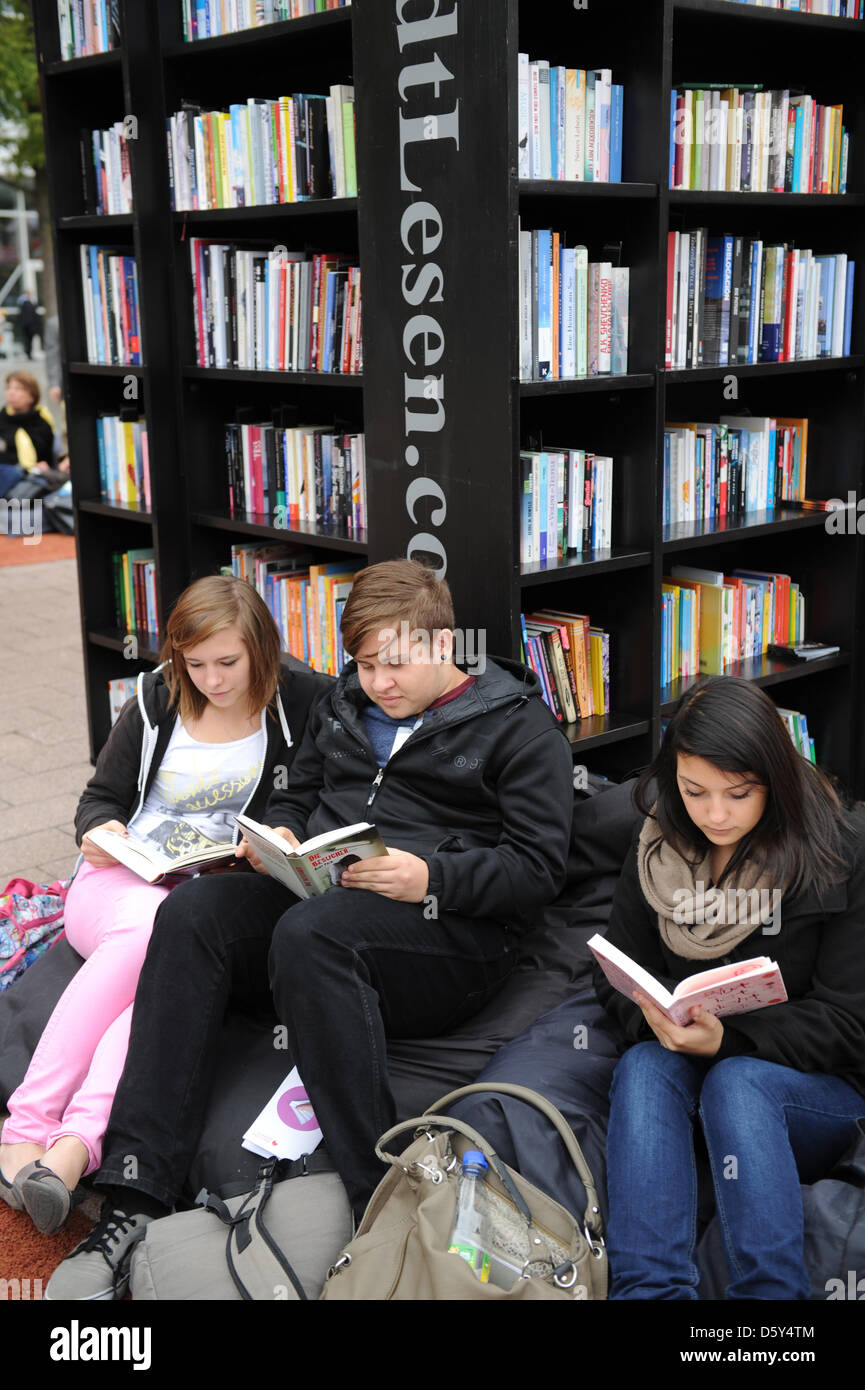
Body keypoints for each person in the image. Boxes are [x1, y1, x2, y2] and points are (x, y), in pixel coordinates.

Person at [45, 558, 575, 1299]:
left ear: (443, 642)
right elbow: (303, 792)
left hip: (450, 938)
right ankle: (135, 1193)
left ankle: (375, 1192)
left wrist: (435, 878)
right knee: (192, 912)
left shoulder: (517, 726)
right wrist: (282, 837)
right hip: (327, 897)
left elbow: (537, 867)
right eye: (363, 662)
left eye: (395, 663)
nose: (378, 681)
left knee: (311, 936)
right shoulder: (344, 704)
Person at [0, 574, 331, 1235]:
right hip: (119, 886)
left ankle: (68, 1154)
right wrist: (98, 834)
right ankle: (27, 1128)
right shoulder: (156, 698)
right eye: (195, 663)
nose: (210, 679)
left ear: (261, 648)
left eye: (227, 663)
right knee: (156, 926)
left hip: (200, 896)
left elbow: (300, 797)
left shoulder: (300, 701)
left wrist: (279, 838)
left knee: (167, 959)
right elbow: (99, 799)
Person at [595, 676, 865, 1301]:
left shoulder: (841, 849)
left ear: (773, 779)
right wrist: (654, 1018)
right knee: (641, 1064)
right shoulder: (659, 846)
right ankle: (648, 1292)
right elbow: (613, 971)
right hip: (688, 1062)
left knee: (738, 1080)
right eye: (695, 792)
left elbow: (850, 1023)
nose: (715, 814)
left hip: (816, 1091)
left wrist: (730, 1040)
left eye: (738, 794)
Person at [0, 370, 54, 499]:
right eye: (9, 388)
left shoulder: (41, 424)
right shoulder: (2, 418)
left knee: (12, 473)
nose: (11, 393)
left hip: (25, 475)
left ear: (31, 396)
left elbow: (45, 457)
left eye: (18, 389)